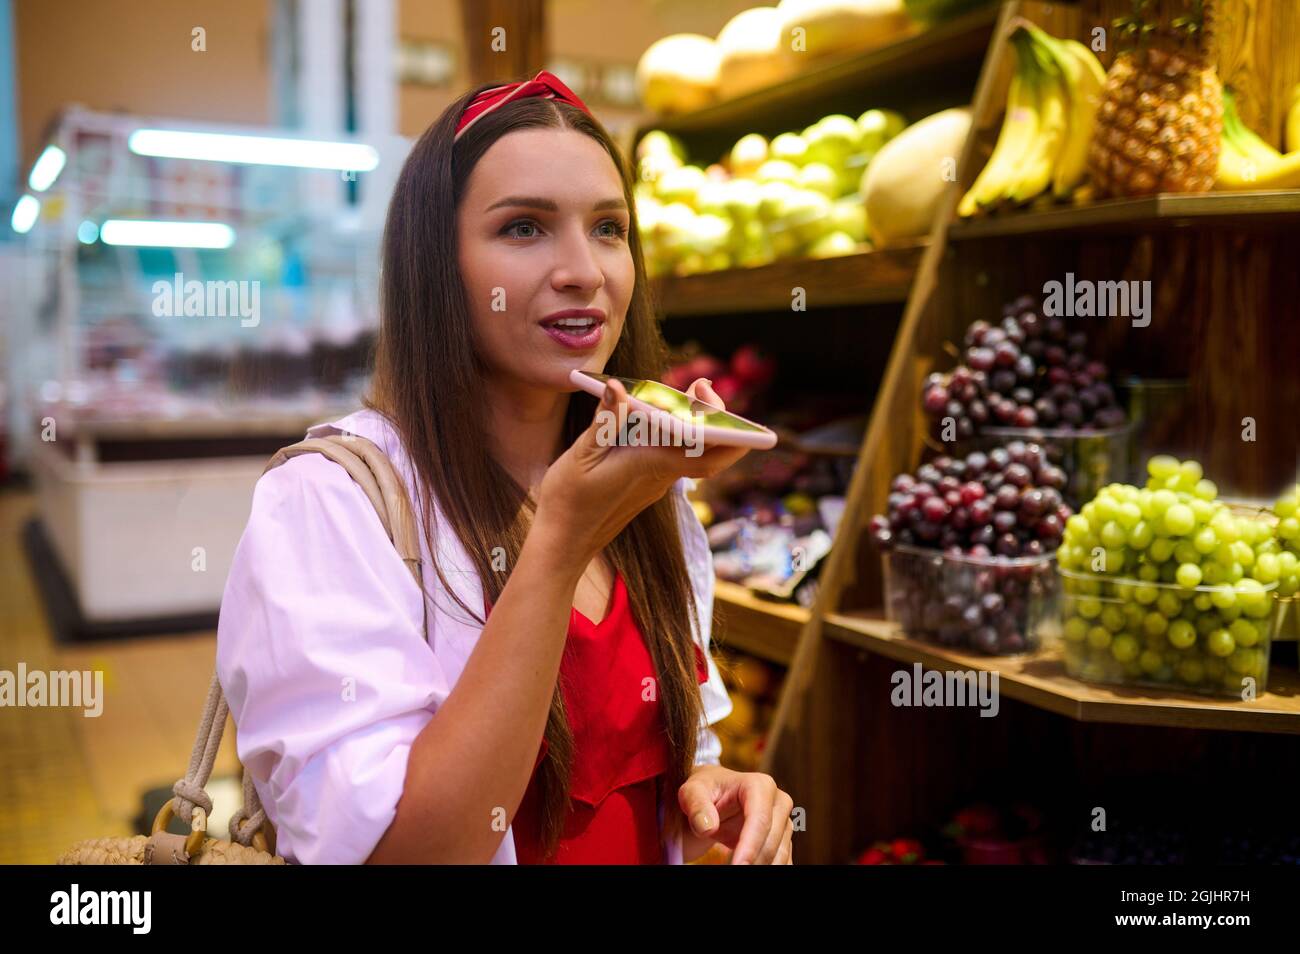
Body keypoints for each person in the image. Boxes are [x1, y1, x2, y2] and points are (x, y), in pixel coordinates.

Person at [215, 71, 794, 865]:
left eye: (609, 228)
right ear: (436, 264)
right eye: (524, 228)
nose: (583, 270)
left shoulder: (646, 490)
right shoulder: (329, 503)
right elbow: (399, 855)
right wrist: (557, 546)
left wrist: (714, 792)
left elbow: (664, 764)